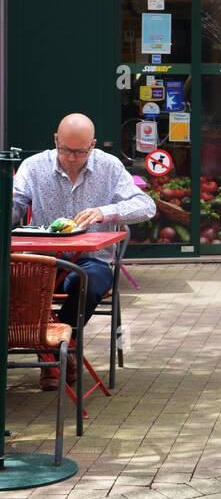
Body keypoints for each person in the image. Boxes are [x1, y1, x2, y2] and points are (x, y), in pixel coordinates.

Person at [11, 113, 156, 389]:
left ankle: (56, 353)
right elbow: (15, 205)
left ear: (93, 145)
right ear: (56, 140)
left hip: (92, 261)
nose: (72, 158)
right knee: (16, 280)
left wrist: (106, 212)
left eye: (80, 151)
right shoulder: (35, 165)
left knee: (85, 282)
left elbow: (146, 206)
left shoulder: (109, 166)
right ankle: (58, 354)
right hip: (43, 261)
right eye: (65, 150)